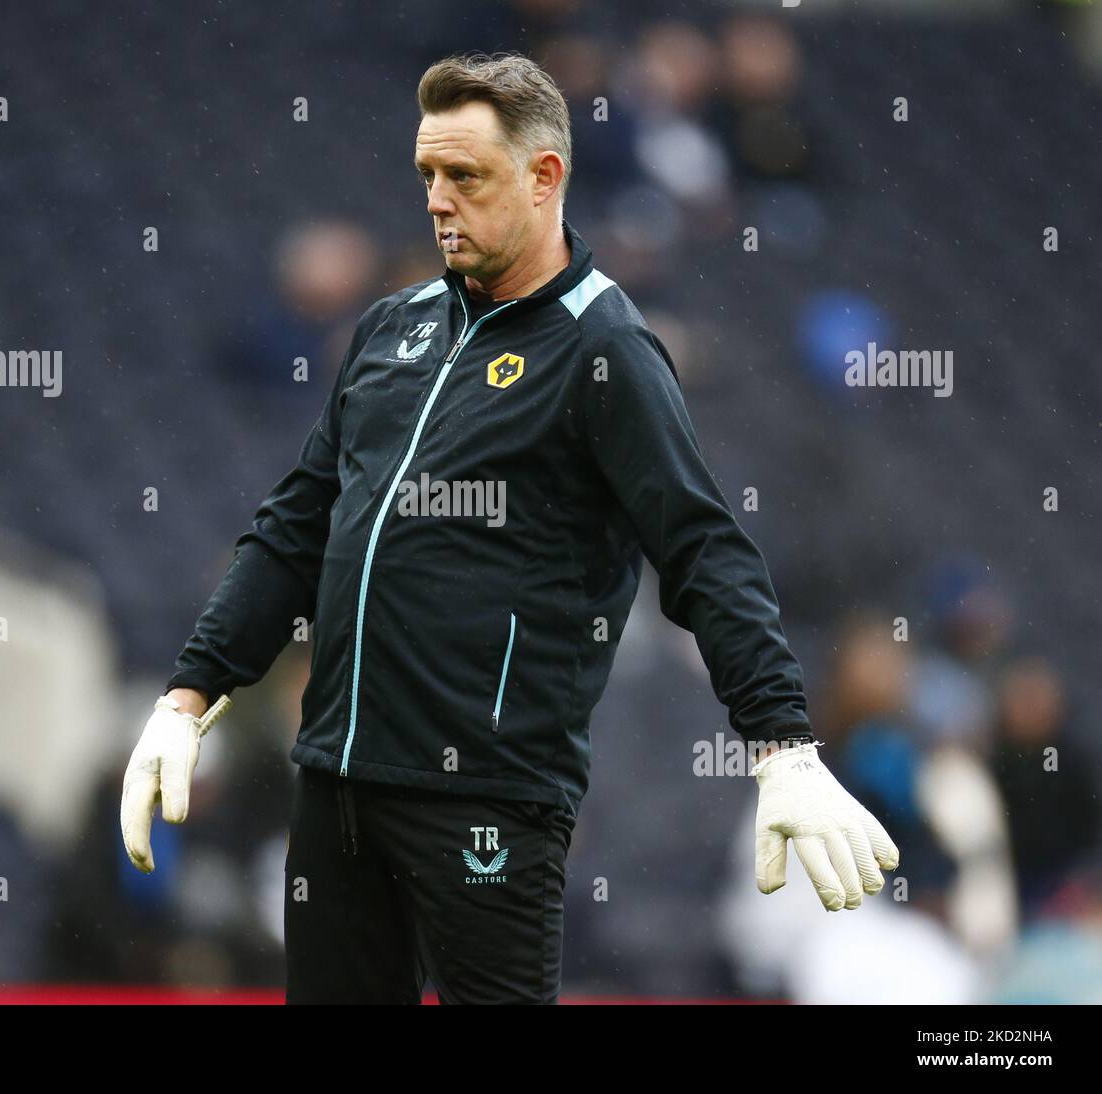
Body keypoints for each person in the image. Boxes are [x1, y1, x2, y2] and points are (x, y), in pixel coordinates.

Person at [120, 51, 899, 1005]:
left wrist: (782, 743)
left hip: (483, 800)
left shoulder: (604, 348)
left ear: (544, 177)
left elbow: (701, 549)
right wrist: (188, 695)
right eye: (427, 177)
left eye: (467, 176)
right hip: (332, 786)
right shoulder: (388, 330)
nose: (439, 201)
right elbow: (295, 528)